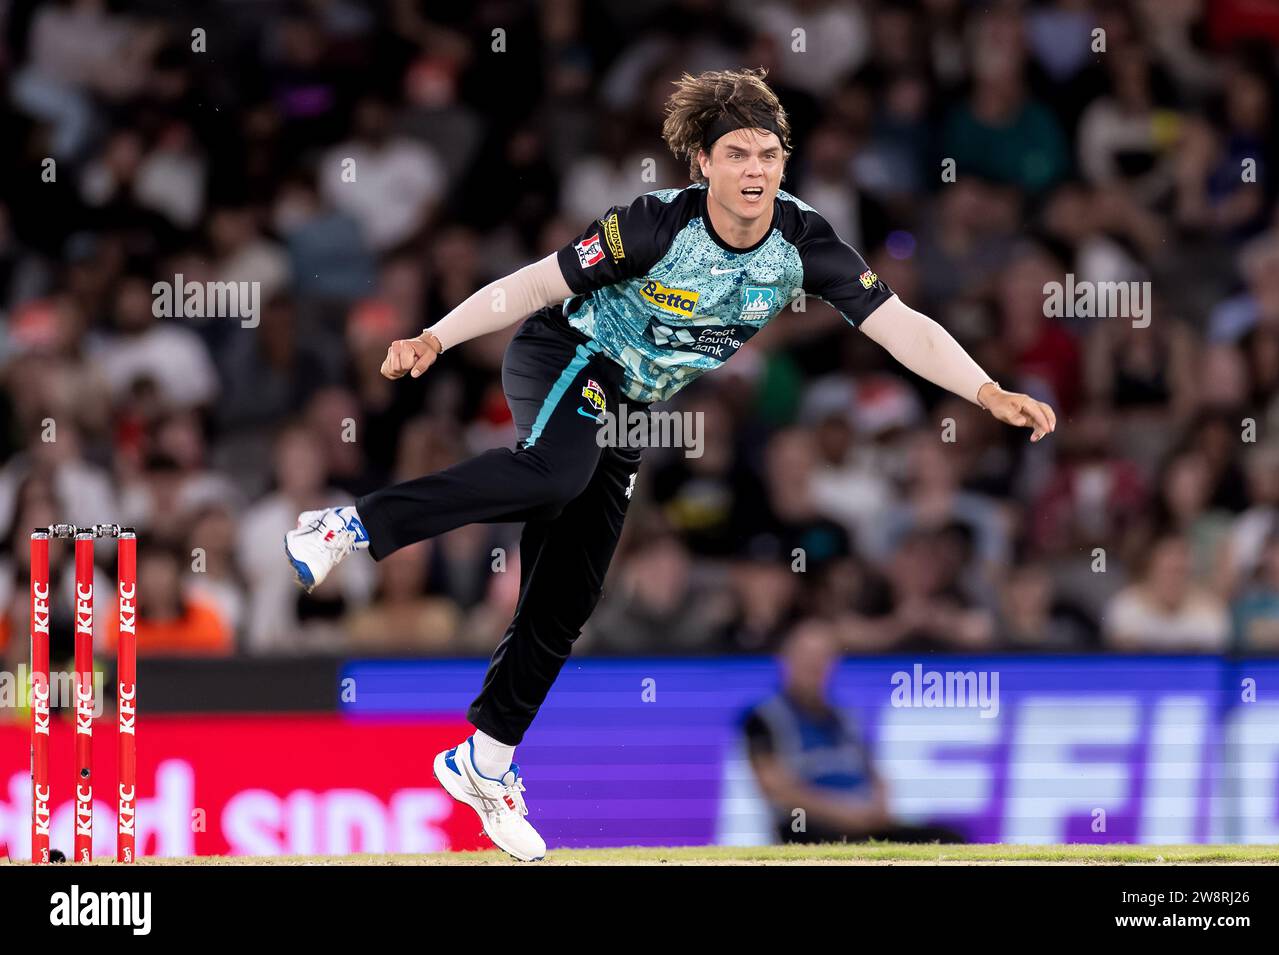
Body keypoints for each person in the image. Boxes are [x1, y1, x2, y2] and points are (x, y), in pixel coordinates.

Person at [283, 68, 1056, 861]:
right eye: (737, 154)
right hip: (567, 354)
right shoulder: (652, 226)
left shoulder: (804, 241)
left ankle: (483, 760)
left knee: (568, 593)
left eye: (769, 154)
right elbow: (534, 283)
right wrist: (436, 338)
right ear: (702, 163)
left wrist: (987, 389)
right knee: (553, 472)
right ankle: (348, 523)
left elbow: (901, 327)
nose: (756, 170)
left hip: (630, 405)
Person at [743, 619, 964, 845]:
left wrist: (877, 809)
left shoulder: (845, 718)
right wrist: (844, 815)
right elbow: (778, 790)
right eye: (806, 656)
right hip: (806, 825)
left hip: (861, 822)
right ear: (786, 660)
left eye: (822, 658)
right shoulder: (764, 719)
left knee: (947, 841)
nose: (814, 666)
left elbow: (874, 774)